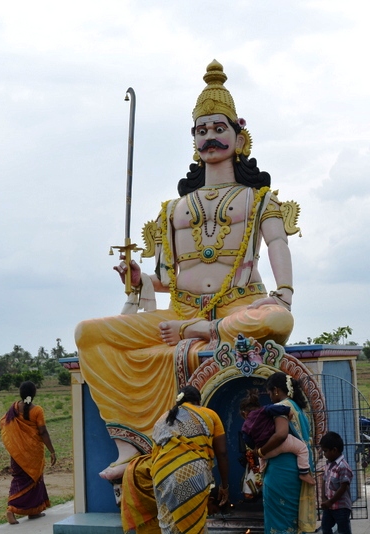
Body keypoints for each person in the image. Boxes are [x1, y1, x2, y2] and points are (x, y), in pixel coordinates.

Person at [75, 59, 298, 482]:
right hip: (178, 313)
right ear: (193, 140)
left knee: (276, 318)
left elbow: (278, 245)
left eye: (218, 128)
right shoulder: (173, 210)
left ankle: (207, 331)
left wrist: (282, 294)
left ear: (238, 133)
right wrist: (141, 280)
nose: (210, 138)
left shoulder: (260, 199)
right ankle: (131, 445)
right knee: (88, 332)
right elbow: (168, 279)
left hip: (239, 309)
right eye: (201, 131)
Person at [121, 386, 229, 534]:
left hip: (162, 474)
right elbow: (221, 452)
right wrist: (224, 485)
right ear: (198, 401)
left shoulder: (163, 418)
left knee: (170, 523)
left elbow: (155, 452)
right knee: (193, 524)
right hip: (193, 473)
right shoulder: (209, 414)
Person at [260, 372, 316, 533]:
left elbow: (281, 434)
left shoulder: (280, 408)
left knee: (280, 522)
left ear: (276, 390)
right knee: (292, 517)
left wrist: (261, 451)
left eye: (270, 392)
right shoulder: (298, 408)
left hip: (281, 471)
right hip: (297, 468)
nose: (270, 397)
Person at [0, 381, 56, 525]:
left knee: (20, 479)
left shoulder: (14, 408)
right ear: (34, 394)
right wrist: (52, 451)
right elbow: (42, 431)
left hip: (17, 452)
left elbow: (4, 424)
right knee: (34, 479)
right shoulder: (37, 410)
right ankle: (11, 509)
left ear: (21, 394)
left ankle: (33, 511)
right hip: (34, 452)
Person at [239, 389, 315, 485]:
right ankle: (304, 472)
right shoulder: (264, 410)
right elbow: (278, 409)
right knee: (302, 448)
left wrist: (257, 448)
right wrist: (288, 411)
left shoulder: (244, 427)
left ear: (244, 414)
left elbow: (248, 440)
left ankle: (262, 469)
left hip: (266, 453)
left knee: (260, 454)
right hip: (281, 444)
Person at [320, 431, 353, 534]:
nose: (324, 454)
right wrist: (324, 497)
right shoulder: (328, 465)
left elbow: (343, 487)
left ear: (334, 450)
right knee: (325, 527)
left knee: (343, 529)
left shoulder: (343, 467)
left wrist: (331, 501)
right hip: (329, 507)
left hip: (341, 507)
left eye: (325, 451)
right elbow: (324, 480)